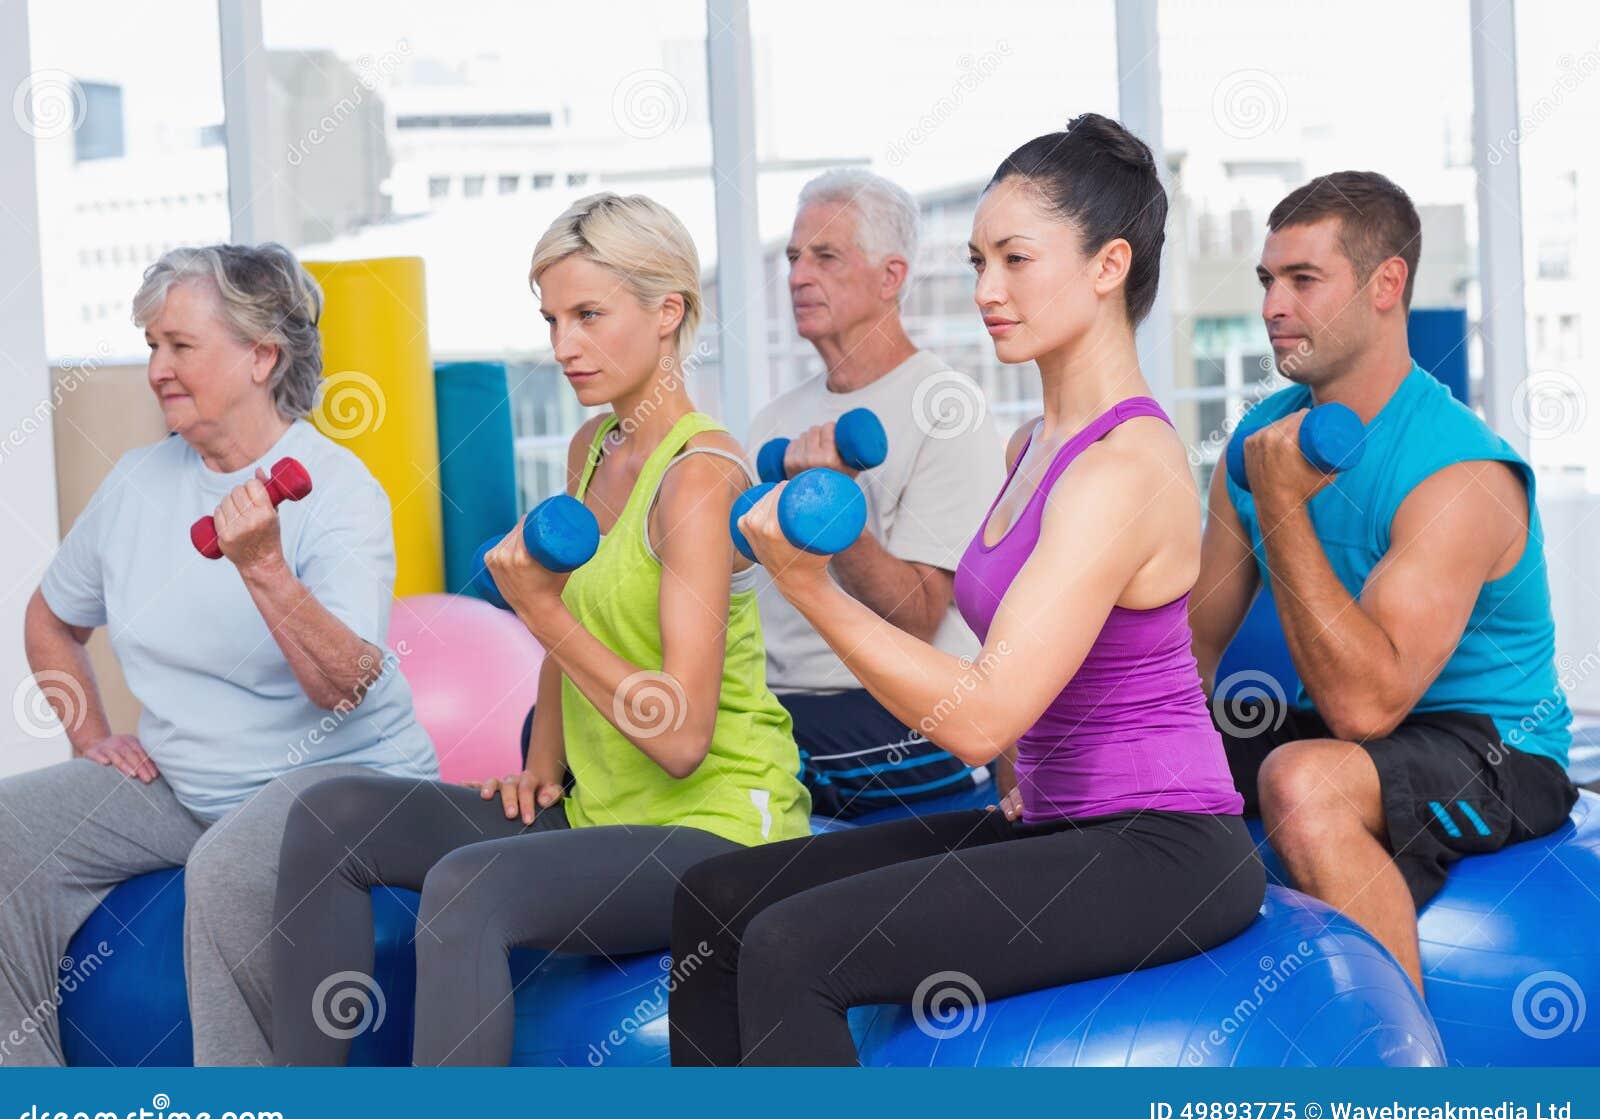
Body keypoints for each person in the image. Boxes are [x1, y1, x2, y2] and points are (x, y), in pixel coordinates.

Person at [667, 115, 1264, 1067]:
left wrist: (810, 587)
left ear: (1110, 265)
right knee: (715, 897)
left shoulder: (1124, 466)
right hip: (1060, 819)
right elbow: (1036, 671)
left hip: (1166, 849)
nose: (987, 290)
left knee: (793, 947)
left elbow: (979, 715)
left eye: (1016, 260)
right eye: (979, 260)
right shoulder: (1031, 446)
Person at [270, 193, 811, 1067]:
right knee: (331, 816)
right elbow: (574, 621)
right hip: (599, 814)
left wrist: (540, 610)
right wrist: (542, 761)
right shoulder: (592, 447)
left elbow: (679, 736)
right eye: (553, 318)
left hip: (721, 833)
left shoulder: (699, 480)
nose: (563, 346)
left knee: (470, 890)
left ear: (667, 311)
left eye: (589, 315)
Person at [0, 244, 437, 1066]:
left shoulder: (339, 491)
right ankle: (33, 1107)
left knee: (227, 867)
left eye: (179, 345)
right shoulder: (135, 485)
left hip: (344, 788)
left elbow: (344, 686)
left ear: (261, 356)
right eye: (152, 345)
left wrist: (265, 567)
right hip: (185, 786)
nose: (157, 367)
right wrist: (90, 737)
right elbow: (49, 619)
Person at [1188, 170, 1578, 993]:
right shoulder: (1258, 441)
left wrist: (1287, 506)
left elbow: (1369, 708)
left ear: (1385, 285)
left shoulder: (1458, 473)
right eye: (1267, 280)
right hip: (1352, 722)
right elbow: (1193, 644)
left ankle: (1403, 1092)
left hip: (1493, 743)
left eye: (1302, 280)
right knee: (1128, 748)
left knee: (1300, 783)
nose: (1271, 306)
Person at [745, 170, 1008, 818]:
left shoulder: (947, 407)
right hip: (783, 697)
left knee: (742, 746)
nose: (799, 276)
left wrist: (835, 508)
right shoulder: (774, 419)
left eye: (825, 257)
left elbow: (917, 613)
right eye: (793, 257)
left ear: (891, 277)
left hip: (903, 713)